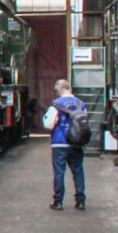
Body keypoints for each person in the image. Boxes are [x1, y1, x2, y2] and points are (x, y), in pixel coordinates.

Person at [42, 78, 86, 210]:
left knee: (59, 172)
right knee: (78, 171)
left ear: (60, 89)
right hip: (76, 143)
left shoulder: (56, 104)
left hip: (59, 143)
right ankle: (80, 201)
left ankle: (58, 201)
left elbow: (48, 124)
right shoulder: (81, 104)